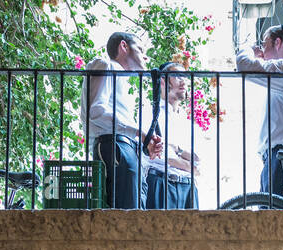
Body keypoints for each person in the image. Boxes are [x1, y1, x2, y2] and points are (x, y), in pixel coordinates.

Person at [83, 31, 163, 209]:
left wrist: (145, 140)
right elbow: (96, 111)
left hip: (125, 148)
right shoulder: (105, 65)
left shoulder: (123, 79)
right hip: (114, 147)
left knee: (134, 210)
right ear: (123, 46)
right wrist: (139, 132)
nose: (146, 56)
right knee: (127, 213)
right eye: (140, 49)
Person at [235, 24, 283, 201]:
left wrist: (249, 49)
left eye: (264, 43)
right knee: (275, 213)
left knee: (275, 215)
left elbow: (244, 65)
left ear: (277, 42)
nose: (262, 48)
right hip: (282, 153)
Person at [143, 62, 201, 210]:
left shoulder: (186, 120)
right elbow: (159, 153)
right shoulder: (151, 113)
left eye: (185, 76)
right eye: (177, 76)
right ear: (162, 80)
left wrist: (177, 150)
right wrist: (187, 163)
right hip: (161, 184)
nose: (183, 80)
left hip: (188, 188)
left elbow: (199, 161)